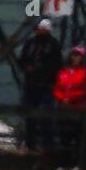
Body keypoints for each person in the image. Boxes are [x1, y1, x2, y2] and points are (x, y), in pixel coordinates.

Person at [18, 19, 62, 153]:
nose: (40, 31)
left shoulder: (53, 44)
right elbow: (22, 60)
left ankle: (47, 145)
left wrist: (42, 69)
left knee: (45, 116)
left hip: (46, 86)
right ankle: (30, 143)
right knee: (30, 116)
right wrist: (28, 68)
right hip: (31, 85)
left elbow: (56, 65)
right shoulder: (30, 43)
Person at [52, 45, 86, 170]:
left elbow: (84, 90)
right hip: (64, 108)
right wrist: (62, 98)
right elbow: (57, 88)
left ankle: (76, 164)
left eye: (78, 55)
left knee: (77, 137)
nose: (75, 58)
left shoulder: (85, 73)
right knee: (64, 137)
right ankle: (63, 163)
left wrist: (71, 98)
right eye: (74, 54)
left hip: (77, 108)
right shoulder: (63, 72)